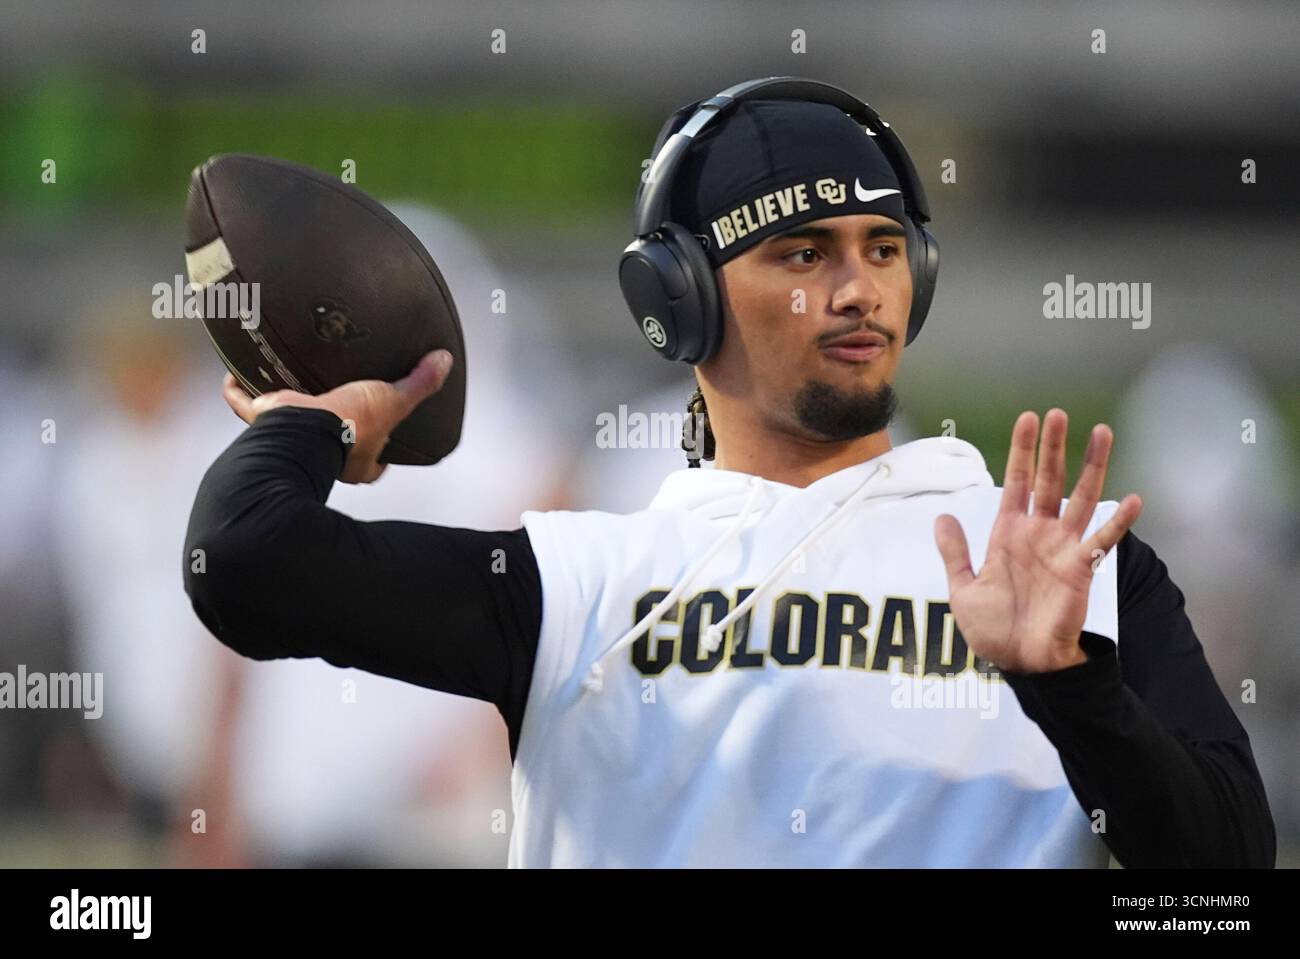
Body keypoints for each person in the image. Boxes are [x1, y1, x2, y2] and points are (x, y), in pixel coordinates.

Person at [183, 78, 1275, 868]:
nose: (859, 289)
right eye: (803, 253)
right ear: (677, 300)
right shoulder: (580, 585)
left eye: (884, 248)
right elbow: (241, 562)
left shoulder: (1062, 569)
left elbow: (1222, 874)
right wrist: (319, 423)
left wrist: (1074, 690)